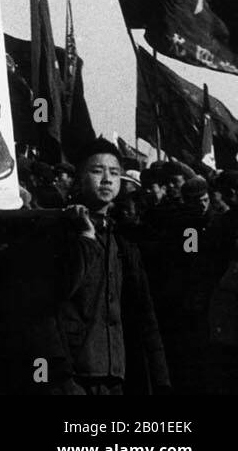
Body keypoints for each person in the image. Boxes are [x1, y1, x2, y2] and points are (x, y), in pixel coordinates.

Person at [52, 138, 168, 395]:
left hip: (117, 372)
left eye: (114, 173)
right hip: (73, 376)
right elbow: (53, 298)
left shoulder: (124, 238)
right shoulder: (58, 232)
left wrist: (160, 378)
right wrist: (86, 239)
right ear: (78, 179)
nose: (106, 179)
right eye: (96, 171)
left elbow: (145, 314)